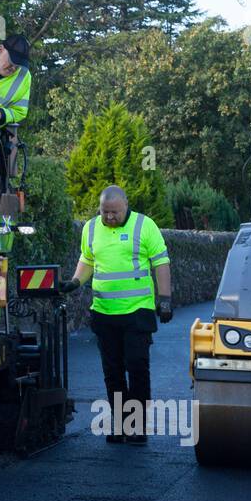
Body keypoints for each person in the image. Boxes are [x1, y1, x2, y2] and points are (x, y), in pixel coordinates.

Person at [64, 186, 173, 443]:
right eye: (105, 212)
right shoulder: (90, 228)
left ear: (126, 206)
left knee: (136, 366)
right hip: (104, 312)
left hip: (138, 311)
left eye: (115, 212)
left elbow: (161, 262)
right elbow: (87, 260)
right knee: (112, 371)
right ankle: (120, 424)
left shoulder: (144, 226)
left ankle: (137, 426)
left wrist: (165, 299)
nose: (110, 217)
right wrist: (75, 282)